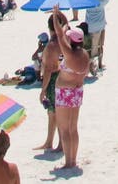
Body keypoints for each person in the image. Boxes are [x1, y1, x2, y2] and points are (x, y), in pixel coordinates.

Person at [52, 3, 89, 169]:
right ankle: (73, 160)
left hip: (65, 92)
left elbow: (60, 35)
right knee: (73, 128)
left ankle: (68, 162)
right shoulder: (84, 54)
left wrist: (54, 16)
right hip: (77, 91)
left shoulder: (68, 54)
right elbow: (66, 31)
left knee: (64, 129)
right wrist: (62, 16)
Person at [34, 12, 66, 153]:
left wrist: (42, 91)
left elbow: (47, 71)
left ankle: (60, 144)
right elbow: (66, 24)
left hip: (54, 80)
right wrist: (58, 14)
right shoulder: (65, 39)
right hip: (65, 76)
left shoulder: (51, 46)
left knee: (55, 113)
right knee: (54, 112)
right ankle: (49, 141)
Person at [85, 0, 109, 71]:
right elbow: (107, 0)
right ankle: (99, 64)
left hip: (89, 25)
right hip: (100, 24)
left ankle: (90, 65)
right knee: (100, 45)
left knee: (89, 46)